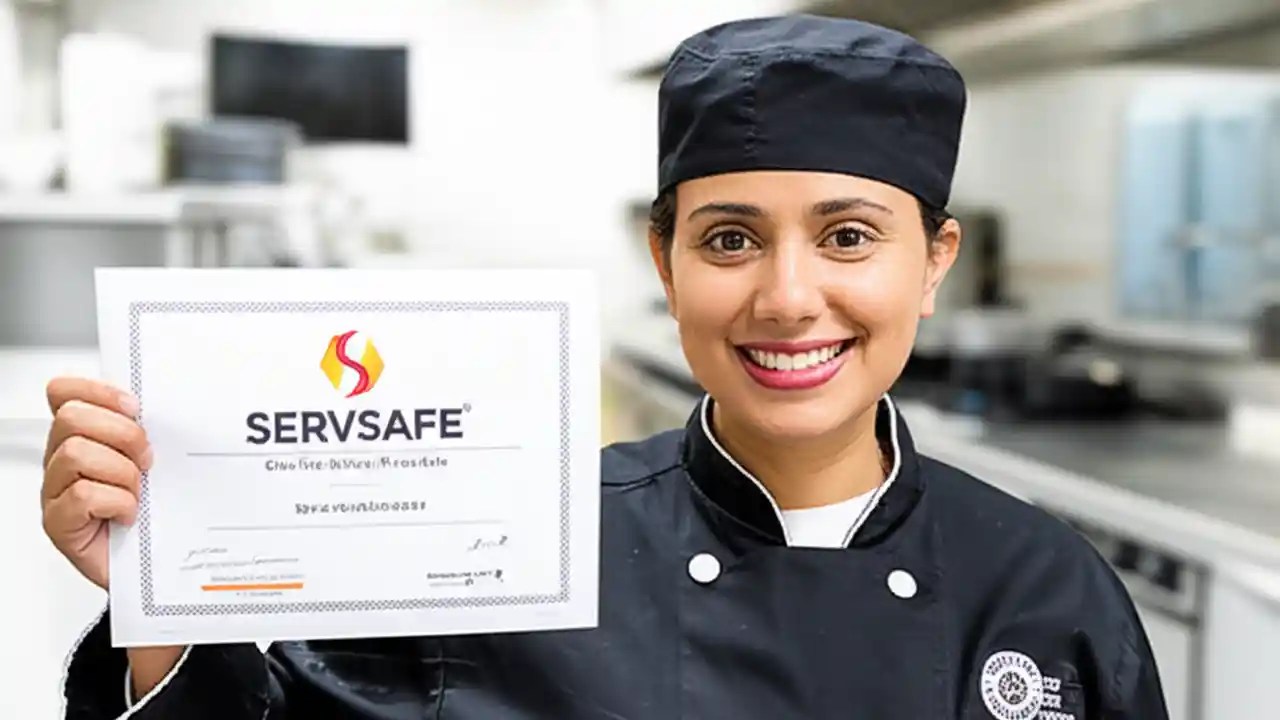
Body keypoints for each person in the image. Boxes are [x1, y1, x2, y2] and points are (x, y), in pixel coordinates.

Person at [45, 14, 1168, 720]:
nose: (785, 296)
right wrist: (168, 593)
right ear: (664, 263)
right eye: (728, 238)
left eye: (847, 236)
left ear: (932, 264)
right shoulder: (499, 538)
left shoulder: (1044, 587)